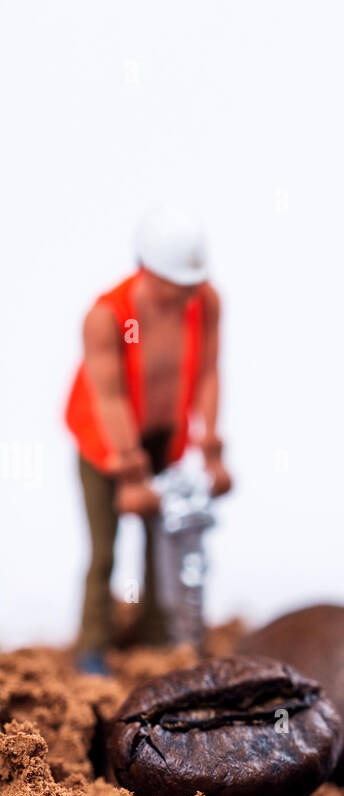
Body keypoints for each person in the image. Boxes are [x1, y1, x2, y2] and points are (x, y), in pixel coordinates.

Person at [65, 206, 231, 674]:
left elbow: (207, 373)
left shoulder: (204, 302)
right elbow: (111, 398)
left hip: (163, 438)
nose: (186, 295)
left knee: (166, 536)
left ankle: (159, 637)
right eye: (176, 285)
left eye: (192, 285)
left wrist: (211, 447)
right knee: (104, 548)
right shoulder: (109, 317)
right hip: (106, 447)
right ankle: (93, 647)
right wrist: (131, 475)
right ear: (147, 270)